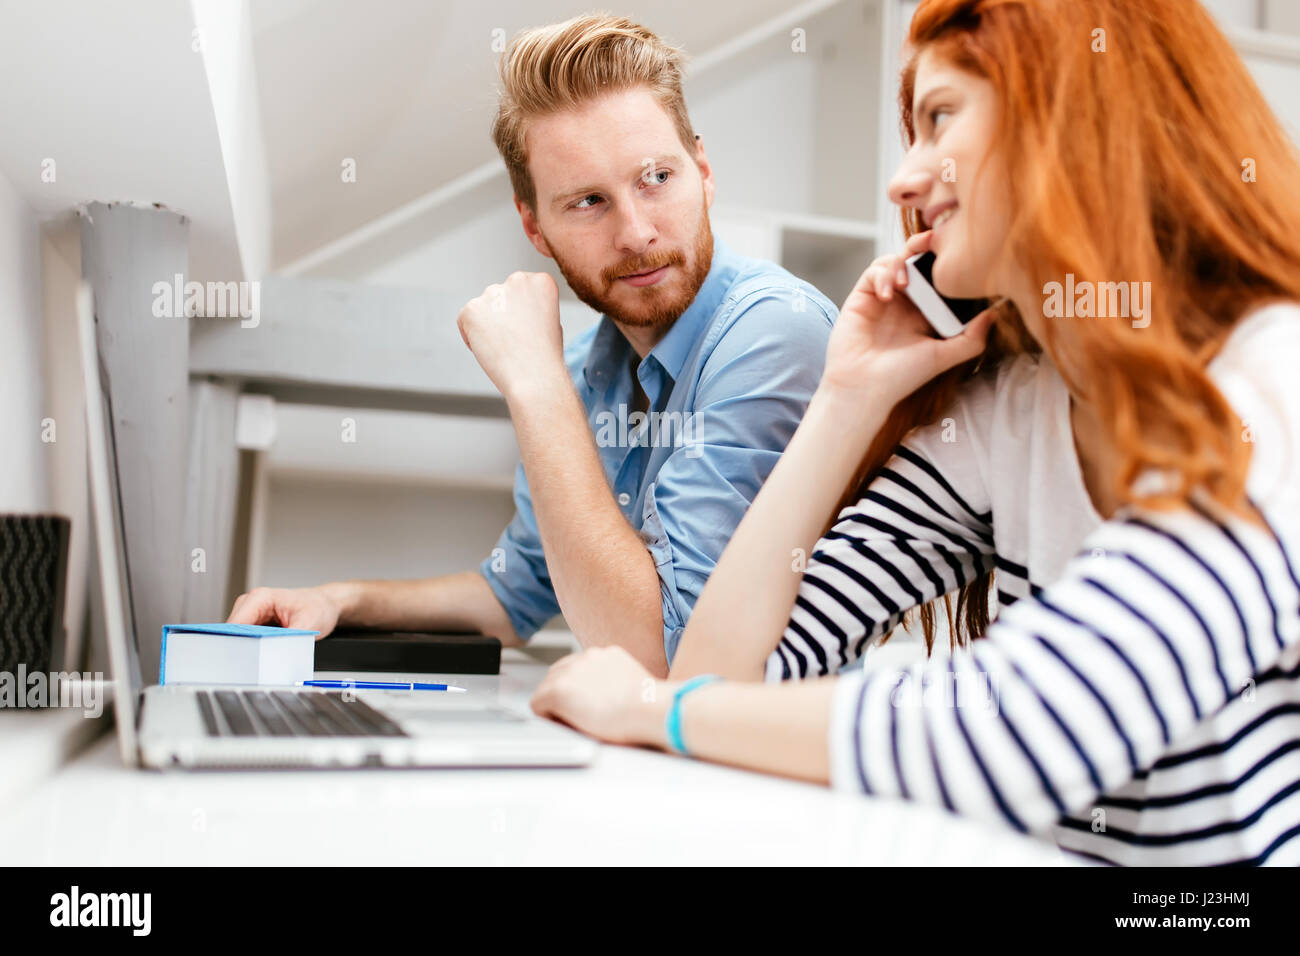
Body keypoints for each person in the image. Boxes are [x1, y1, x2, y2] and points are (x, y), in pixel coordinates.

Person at [530, 0, 1300, 866]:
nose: (905, 180)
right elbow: (723, 671)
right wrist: (846, 398)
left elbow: (1026, 730)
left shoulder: (1274, 383)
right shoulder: (1008, 411)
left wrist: (647, 710)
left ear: (1073, 114)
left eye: (939, 120)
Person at [227, 15, 836, 677]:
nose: (635, 232)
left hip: (773, 766)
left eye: (657, 178)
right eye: (587, 202)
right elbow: (511, 595)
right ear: (534, 226)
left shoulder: (775, 330)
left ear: (704, 171)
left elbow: (663, 653)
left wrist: (535, 384)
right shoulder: (585, 369)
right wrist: (336, 598)